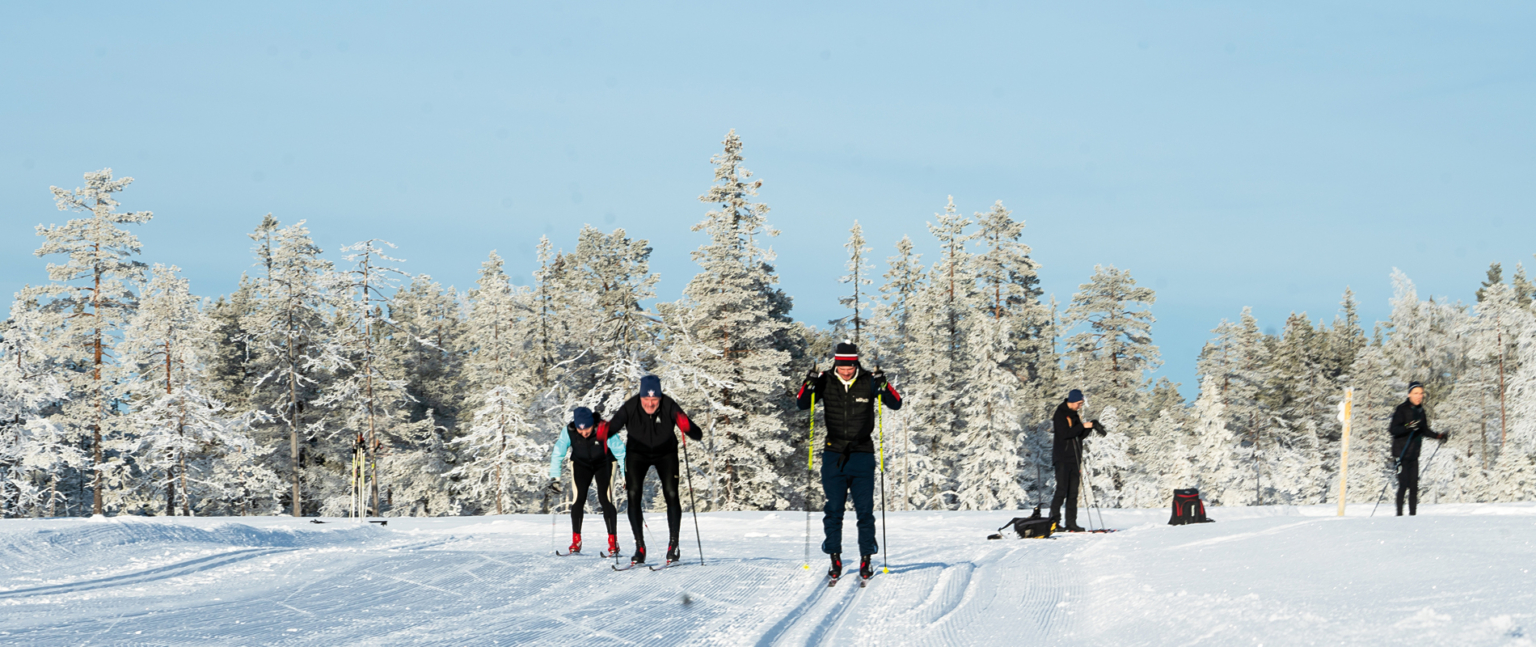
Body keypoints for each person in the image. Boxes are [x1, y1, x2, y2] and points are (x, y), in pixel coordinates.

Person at [795, 341, 902, 580]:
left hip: (863, 454)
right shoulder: (824, 380)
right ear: (836, 362)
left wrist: (884, 386)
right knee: (834, 510)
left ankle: (866, 559)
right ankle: (834, 557)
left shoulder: (869, 381)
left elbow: (896, 403)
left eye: (850, 366)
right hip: (834, 454)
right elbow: (802, 403)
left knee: (865, 511)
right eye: (842, 367)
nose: (846, 371)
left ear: (856, 362)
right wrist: (809, 383)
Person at [602, 375, 701, 565]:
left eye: (654, 399)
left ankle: (674, 545)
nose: (650, 404)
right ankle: (639, 547)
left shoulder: (670, 405)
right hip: (637, 454)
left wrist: (687, 426)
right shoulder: (630, 407)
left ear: (660, 397)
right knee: (633, 494)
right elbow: (612, 427)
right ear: (640, 397)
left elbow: (695, 432)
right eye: (646, 399)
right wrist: (602, 432)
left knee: (671, 493)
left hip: (666, 453)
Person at [548, 406, 626, 555]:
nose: (584, 433)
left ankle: (612, 541)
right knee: (578, 500)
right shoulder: (569, 431)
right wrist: (555, 479)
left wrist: (626, 476)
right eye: (580, 430)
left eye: (587, 429)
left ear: (593, 424)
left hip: (605, 463)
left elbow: (621, 452)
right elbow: (557, 453)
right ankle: (576, 540)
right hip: (581, 464)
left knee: (605, 499)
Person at [1049, 389, 1105, 532]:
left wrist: (1090, 427)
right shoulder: (1060, 414)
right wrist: (1082, 426)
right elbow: (1064, 434)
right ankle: (1053, 523)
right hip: (1062, 458)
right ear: (1072, 401)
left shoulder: (1074, 415)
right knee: (1061, 490)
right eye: (1079, 403)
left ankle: (1071, 523)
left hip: (1074, 458)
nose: (1080, 406)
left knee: (1073, 492)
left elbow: (1078, 436)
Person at [1388, 382, 1447, 516]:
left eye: (1421, 393)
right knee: (1403, 485)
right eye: (1416, 393)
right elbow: (1393, 430)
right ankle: (1399, 516)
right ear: (1409, 394)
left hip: (1414, 455)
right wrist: (1408, 426)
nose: (1419, 396)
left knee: (1414, 486)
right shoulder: (1401, 409)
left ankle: (1413, 516)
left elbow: (1424, 430)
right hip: (1400, 455)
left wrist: (1439, 436)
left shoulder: (1421, 411)